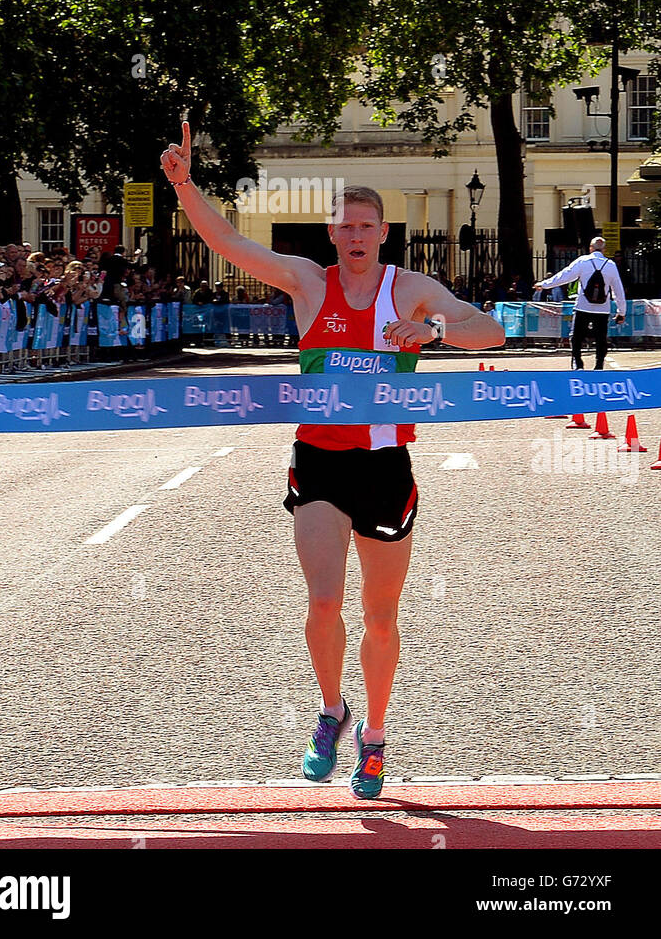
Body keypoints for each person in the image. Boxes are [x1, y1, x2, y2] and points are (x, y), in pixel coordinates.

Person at [161, 122, 504, 800]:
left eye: (366, 227)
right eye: (345, 226)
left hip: (385, 467)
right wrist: (184, 186)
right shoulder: (307, 284)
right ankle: (331, 712)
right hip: (318, 460)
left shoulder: (410, 289)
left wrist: (433, 329)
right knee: (323, 601)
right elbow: (228, 242)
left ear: (383, 233)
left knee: (381, 615)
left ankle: (373, 737)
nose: (355, 236)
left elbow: (489, 330)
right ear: (331, 234)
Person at [534, 235, 626, 370]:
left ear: (590, 248)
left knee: (576, 336)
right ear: (604, 250)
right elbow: (618, 290)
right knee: (601, 337)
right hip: (602, 308)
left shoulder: (583, 261)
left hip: (583, 306)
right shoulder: (611, 265)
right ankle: (599, 365)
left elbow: (564, 276)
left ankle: (578, 363)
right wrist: (621, 312)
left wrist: (544, 284)